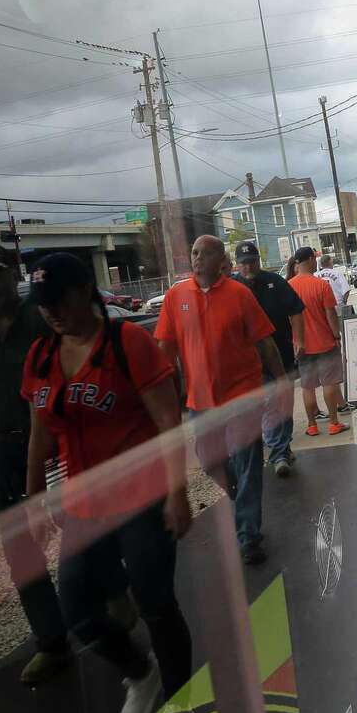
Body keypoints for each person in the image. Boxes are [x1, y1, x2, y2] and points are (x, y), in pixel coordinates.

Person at [21, 253, 195, 713]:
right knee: (76, 610)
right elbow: (38, 435)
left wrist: (177, 493)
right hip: (84, 505)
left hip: (143, 498)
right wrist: (33, 500)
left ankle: (178, 711)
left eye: (59, 300)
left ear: (85, 292)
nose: (51, 312)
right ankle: (141, 675)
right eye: (42, 304)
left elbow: (168, 421)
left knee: (156, 602)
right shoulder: (40, 356)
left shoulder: (128, 343)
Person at [0, 243, 127, 686]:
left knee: (82, 527)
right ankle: (52, 642)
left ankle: (114, 596)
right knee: (20, 552)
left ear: (15, 274)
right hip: (1, 449)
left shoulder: (45, 320)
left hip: (60, 442)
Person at [155, 235, 285, 566]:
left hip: (243, 395)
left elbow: (265, 343)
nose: (197, 258)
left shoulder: (240, 294)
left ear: (220, 259)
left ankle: (249, 537)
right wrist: (162, 397)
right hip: (200, 402)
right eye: (194, 252)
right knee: (211, 461)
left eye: (205, 253)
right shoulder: (175, 297)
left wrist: (281, 380)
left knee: (248, 464)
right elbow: (164, 354)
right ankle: (243, 502)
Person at [231, 240, 305, 478]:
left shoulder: (275, 282)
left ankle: (283, 446)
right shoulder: (232, 288)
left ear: (258, 261)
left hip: (282, 353)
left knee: (284, 404)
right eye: (243, 263)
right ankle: (278, 454)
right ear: (236, 264)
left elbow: (296, 310)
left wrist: (299, 340)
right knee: (269, 407)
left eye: (251, 261)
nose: (248, 267)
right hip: (250, 362)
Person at [288, 247, 350, 437]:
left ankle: (312, 425)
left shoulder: (288, 286)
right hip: (325, 342)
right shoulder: (321, 285)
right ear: (309, 260)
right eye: (314, 259)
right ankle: (333, 423)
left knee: (308, 386)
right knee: (329, 383)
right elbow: (330, 313)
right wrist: (337, 336)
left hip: (301, 346)